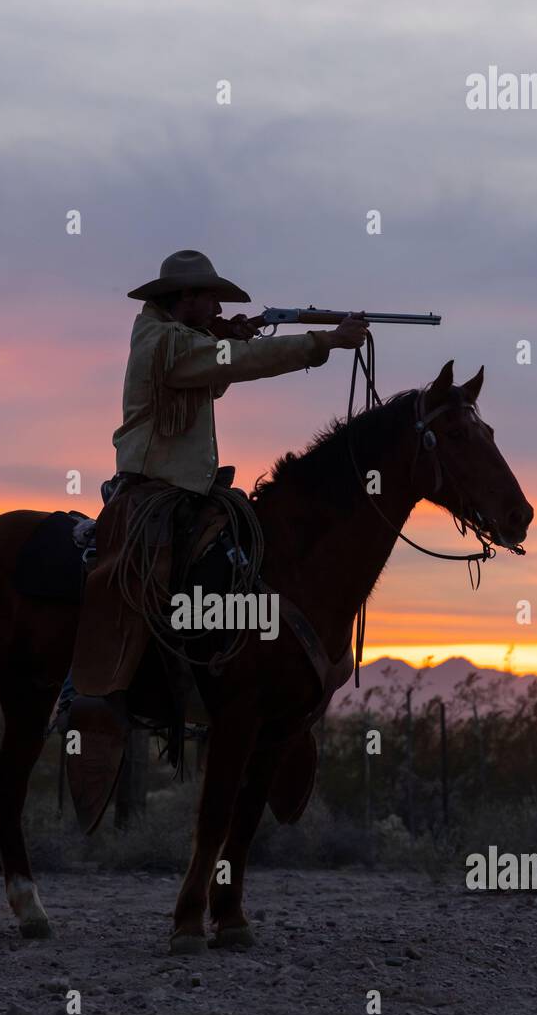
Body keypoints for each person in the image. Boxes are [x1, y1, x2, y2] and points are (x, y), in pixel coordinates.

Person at [57, 250, 366, 731]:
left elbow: (219, 372)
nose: (220, 312)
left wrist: (227, 336)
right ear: (185, 298)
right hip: (154, 489)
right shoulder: (166, 344)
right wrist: (324, 341)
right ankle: (91, 688)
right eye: (211, 301)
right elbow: (239, 363)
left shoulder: (182, 340)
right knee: (141, 577)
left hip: (192, 488)